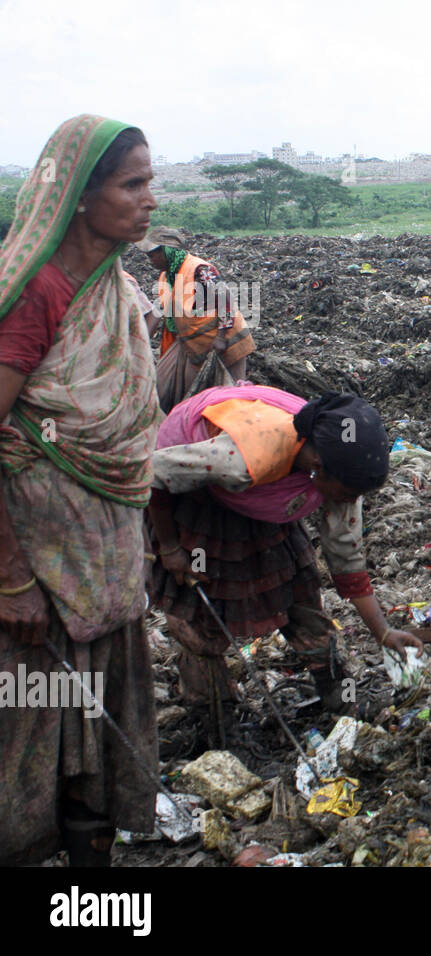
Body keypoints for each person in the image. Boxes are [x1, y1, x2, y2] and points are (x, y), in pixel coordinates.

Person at [0, 115, 163, 866]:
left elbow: (127, 432)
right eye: (133, 184)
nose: (150, 200)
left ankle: (93, 896)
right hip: (39, 591)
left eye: (150, 182)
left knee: (95, 743)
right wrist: (11, 581)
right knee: (34, 722)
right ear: (78, 196)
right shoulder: (36, 293)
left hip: (105, 579)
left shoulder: (117, 288)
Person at [147, 385, 421, 718]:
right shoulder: (240, 459)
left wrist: (383, 632)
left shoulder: (337, 471)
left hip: (266, 505)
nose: (350, 501)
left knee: (300, 597)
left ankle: (338, 695)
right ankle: (214, 717)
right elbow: (155, 476)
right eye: (348, 493)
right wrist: (170, 547)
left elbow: (346, 558)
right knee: (202, 617)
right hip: (200, 497)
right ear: (318, 467)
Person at [138, 227, 255, 412]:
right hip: (193, 343)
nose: (150, 261)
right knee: (169, 390)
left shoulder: (199, 269)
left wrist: (221, 337)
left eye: (152, 255)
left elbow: (224, 297)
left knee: (230, 395)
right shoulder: (166, 276)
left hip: (225, 339)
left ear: (167, 251)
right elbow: (159, 309)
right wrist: (139, 340)